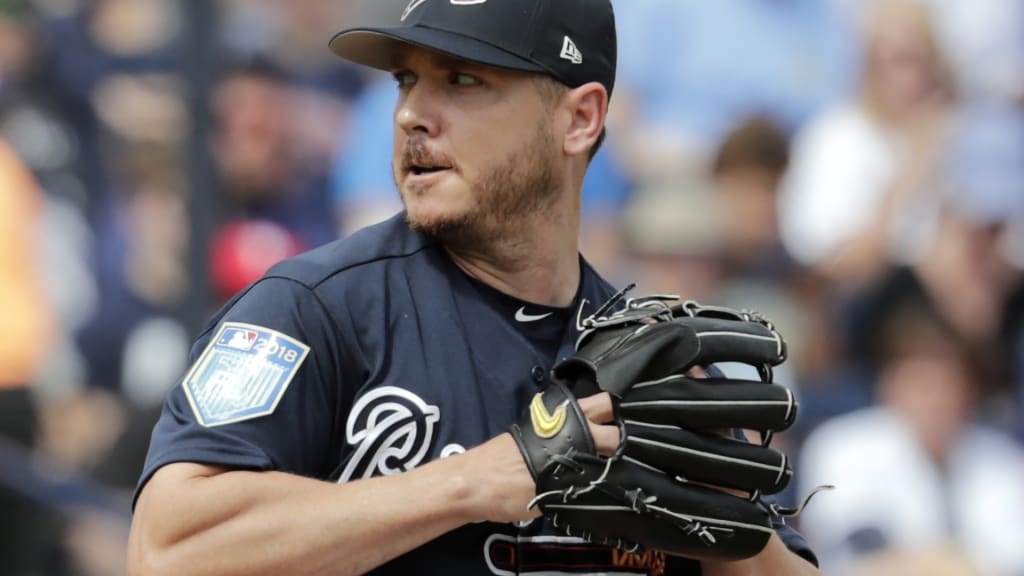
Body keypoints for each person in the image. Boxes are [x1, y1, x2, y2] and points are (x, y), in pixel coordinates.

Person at [127, 1, 821, 574]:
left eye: (461, 80)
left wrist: (734, 524)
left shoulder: (648, 368)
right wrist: (469, 483)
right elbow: (166, 552)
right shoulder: (313, 310)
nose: (411, 115)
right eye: (406, 79)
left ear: (579, 118)